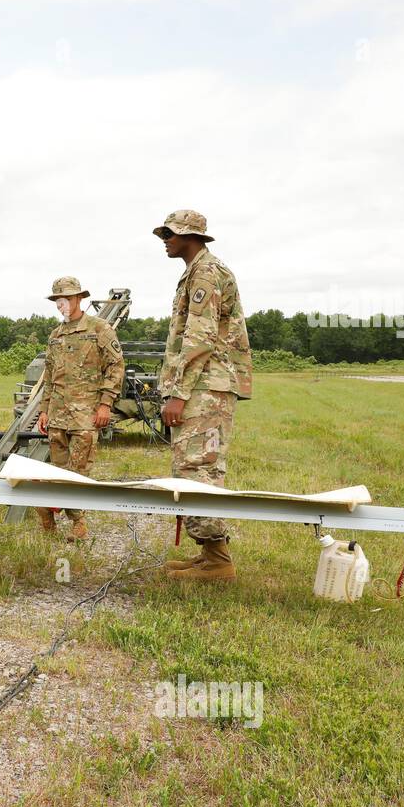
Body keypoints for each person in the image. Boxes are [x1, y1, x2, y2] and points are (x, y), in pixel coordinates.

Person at [153, 210, 252, 582]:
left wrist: (177, 394)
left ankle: (218, 561)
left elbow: (200, 339)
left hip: (206, 387)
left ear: (189, 237)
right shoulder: (195, 271)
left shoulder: (206, 274)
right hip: (202, 385)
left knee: (201, 469)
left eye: (170, 233)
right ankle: (210, 553)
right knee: (190, 466)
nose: (164, 239)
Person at [34, 277, 123, 541]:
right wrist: (44, 409)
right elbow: (49, 376)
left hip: (86, 415)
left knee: (79, 471)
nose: (62, 303)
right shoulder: (55, 335)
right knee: (57, 471)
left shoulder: (99, 329)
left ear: (78, 299)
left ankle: (78, 523)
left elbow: (116, 366)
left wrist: (106, 404)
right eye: (58, 300)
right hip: (58, 416)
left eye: (67, 298)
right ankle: (48, 515)